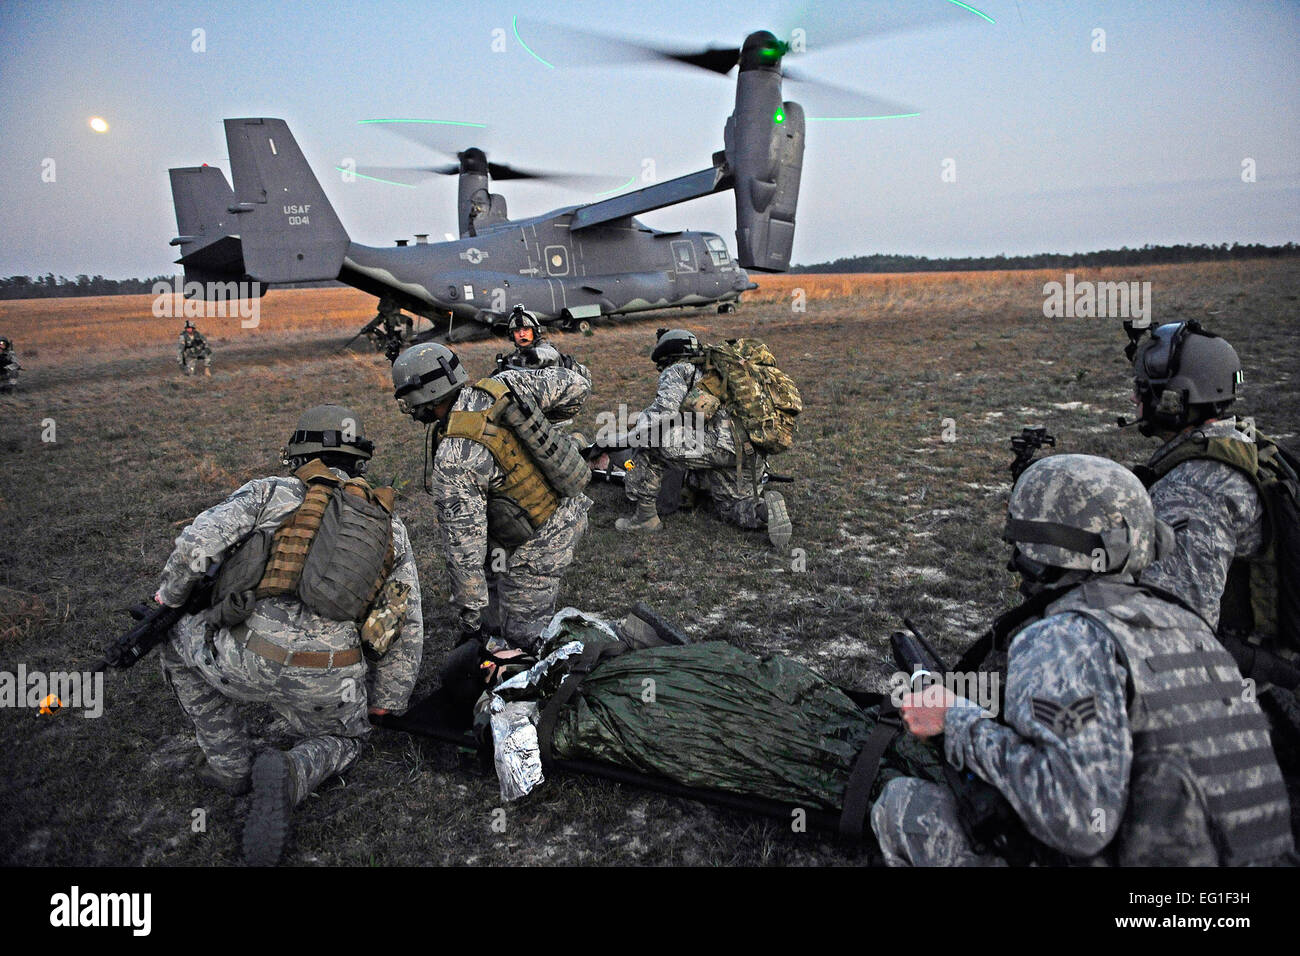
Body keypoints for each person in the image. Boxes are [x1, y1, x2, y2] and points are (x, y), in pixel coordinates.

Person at [870, 454, 1292, 866]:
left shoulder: (1064, 636)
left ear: (1039, 552)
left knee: (902, 807)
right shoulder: (1188, 624)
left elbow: (1077, 822)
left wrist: (954, 718)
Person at [154, 404, 423, 865]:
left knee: (174, 640)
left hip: (243, 655)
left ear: (300, 454)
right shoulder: (389, 526)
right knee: (346, 740)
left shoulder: (270, 492)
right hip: (330, 674)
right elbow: (403, 620)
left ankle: (231, 765)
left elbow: (195, 546)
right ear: (359, 460)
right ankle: (294, 771)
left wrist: (168, 598)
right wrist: (387, 700)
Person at [391, 341, 591, 654]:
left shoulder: (454, 458)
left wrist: (471, 619)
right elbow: (578, 386)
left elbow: (464, 549)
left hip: (542, 542)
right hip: (569, 505)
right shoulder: (503, 384)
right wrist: (542, 423)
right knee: (495, 571)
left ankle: (614, 639)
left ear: (423, 398)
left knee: (524, 638)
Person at [614, 328, 791, 549]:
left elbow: (662, 415)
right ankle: (763, 511)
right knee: (730, 507)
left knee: (649, 443)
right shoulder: (717, 372)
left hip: (720, 445)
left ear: (667, 356)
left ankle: (645, 518)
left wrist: (631, 434)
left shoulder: (679, 369)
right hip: (750, 448)